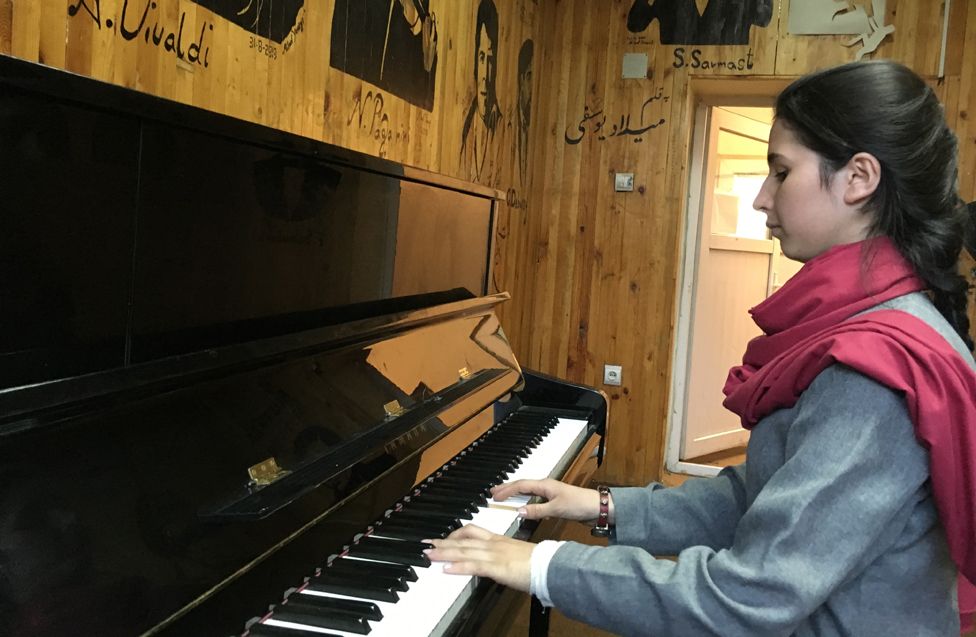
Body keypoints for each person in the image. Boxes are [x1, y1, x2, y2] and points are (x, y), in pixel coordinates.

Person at [426, 59, 976, 636]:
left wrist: (542, 563)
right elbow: (767, 495)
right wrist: (602, 506)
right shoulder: (869, 322)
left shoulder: (876, 373)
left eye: (781, 172)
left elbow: (746, 598)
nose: (763, 199)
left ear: (858, 178)